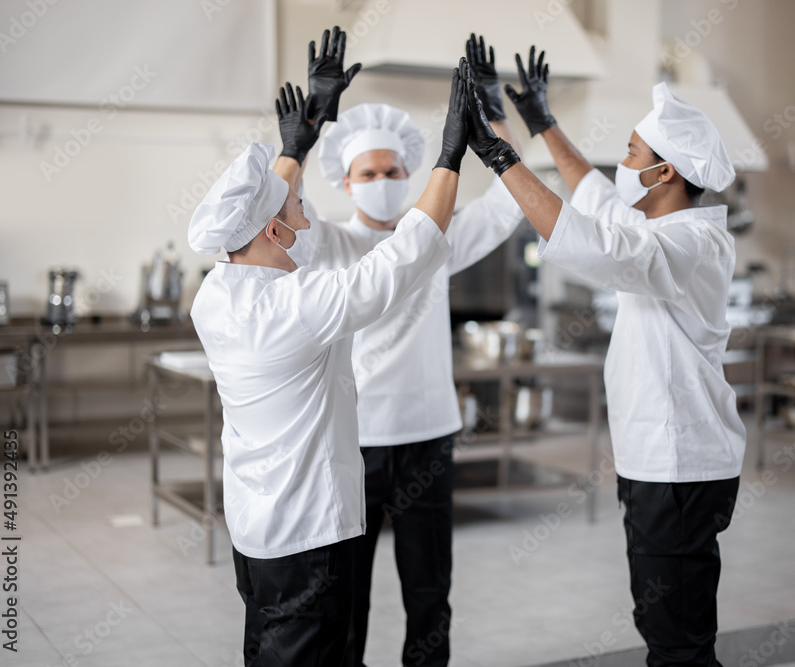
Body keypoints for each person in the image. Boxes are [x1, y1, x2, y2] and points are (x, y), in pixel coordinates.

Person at [186, 30, 475, 664]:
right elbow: (396, 264)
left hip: (258, 533)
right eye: (295, 204)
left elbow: (262, 224)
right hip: (308, 535)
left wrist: (295, 148)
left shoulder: (218, 294)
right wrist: (450, 157)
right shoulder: (296, 307)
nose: (304, 211)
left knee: (270, 649)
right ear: (274, 226)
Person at [462, 50, 745, 667]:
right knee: (663, 618)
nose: (622, 165)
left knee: (677, 638)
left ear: (665, 172)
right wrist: (540, 121)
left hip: (680, 467)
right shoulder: (657, 229)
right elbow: (591, 197)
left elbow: (591, 240)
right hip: (663, 464)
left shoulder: (691, 242)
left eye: (633, 154)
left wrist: (499, 156)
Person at [284, 32, 524, 667]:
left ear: (411, 173)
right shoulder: (329, 243)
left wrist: (495, 116)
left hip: (427, 436)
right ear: (346, 180)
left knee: (428, 592)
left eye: (395, 172)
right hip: (351, 443)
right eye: (371, 173)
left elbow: (509, 203)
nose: (385, 181)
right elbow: (281, 209)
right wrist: (311, 121)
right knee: (345, 595)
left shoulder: (434, 238)